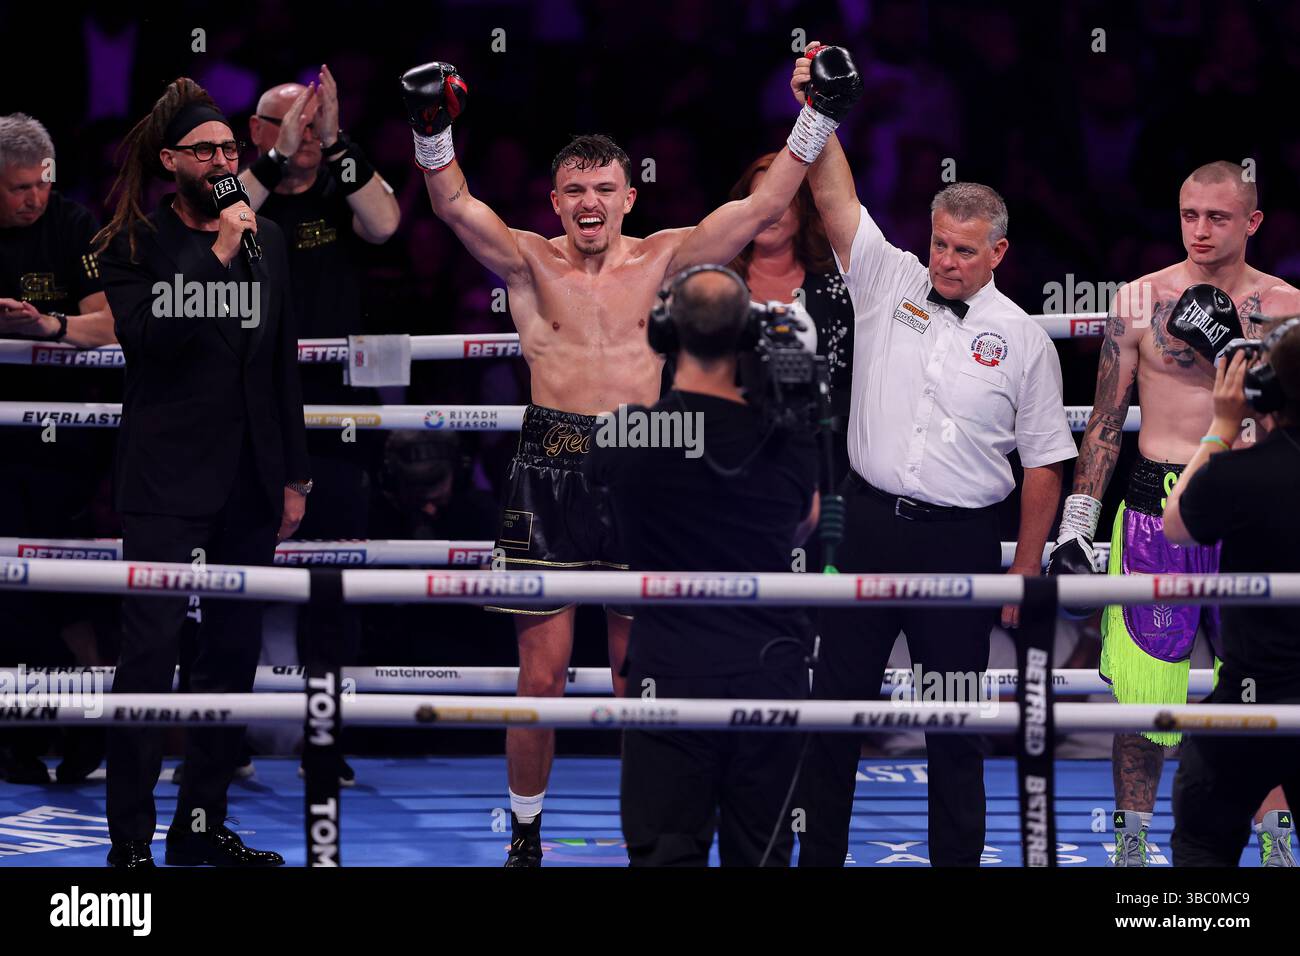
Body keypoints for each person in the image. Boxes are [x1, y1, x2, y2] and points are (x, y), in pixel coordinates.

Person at [399, 46, 862, 865]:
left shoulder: (667, 258)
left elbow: (760, 208)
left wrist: (818, 113)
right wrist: (431, 126)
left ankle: (646, 833)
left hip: (645, 461)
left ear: (628, 196)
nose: (589, 202)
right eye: (574, 190)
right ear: (555, 200)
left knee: (633, 669)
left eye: (604, 189)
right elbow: (454, 206)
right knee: (539, 677)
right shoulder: (529, 259)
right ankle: (526, 834)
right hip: (549, 460)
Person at [787, 44, 1077, 867]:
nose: (946, 260)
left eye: (963, 249)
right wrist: (817, 104)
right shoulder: (888, 279)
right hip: (868, 527)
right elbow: (833, 190)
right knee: (834, 713)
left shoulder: (1023, 337)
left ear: (997, 253)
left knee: (953, 730)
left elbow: (1046, 461)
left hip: (960, 546)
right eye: (940, 243)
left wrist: (1025, 568)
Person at [1047, 160, 1300, 865]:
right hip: (1156, 506)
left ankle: (1276, 845)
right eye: (1190, 215)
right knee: (1144, 694)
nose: (1201, 230)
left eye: (1218, 217)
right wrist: (1077, 525)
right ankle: (1132, 848)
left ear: (1252, 222)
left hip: (1250, 501)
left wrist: (1242, 363)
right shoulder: (1138, 302)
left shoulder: (1288, 310)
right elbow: (1103, 421)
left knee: (1265, 686)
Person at [94, 77, 310, 868]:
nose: (224, 160)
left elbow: (278, 364)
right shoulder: (129, 245)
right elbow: (152, 340)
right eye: (208, 149)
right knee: (148, 656)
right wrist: (219, 252)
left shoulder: (271, 241)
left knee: (231, 656)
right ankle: (128, 845)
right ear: (170, 159)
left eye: (231, 147)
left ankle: (199, 824)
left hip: (251, 476)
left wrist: (295, 474)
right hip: (165, 479)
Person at [585, 265, 819, 866]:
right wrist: (790, 390)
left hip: (670, 671)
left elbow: (606, 512)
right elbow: (804, 522)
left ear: (664, 333)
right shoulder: (785, 441)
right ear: (745, 337)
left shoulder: (624, 436)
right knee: (762, 856)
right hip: (768, 669)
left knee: (665, 855)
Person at [239, 65, 401, 786]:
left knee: (332, 587)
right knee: (233, 579)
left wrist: (336, 142)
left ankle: (323, 742)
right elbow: (220, 219)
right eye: (290, 122)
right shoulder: (233, 185)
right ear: (259, 133)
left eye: (312, 120)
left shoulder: (345, 178)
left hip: (337, 412)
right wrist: (278, 157)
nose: (303, 133)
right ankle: (221, 740)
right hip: (249, 410)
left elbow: (387, 223)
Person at [0, 111, 118, 785]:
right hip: (1, 448)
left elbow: (111, 325)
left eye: (41, 183)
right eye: (19, 188)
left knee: (68, 592)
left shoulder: (73, 226)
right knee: (11, 596)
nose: (34, 198)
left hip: (69, 449)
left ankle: (81, 727)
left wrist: (47, 323)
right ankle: (29, 729)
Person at [1162, 321, 1300, 866]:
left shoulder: (1241, 475)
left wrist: (1222, 425)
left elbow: (1176, 524)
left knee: (1202, 841)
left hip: (1253, 696)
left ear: (1265, 391)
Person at [728, 152, 854, 485]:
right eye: (758, 199)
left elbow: (848, 387)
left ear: (805, 211)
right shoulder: (714, 283)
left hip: (813, 465)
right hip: (726, 458)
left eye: (781, 200)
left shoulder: (835, 292)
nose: (768, 212)